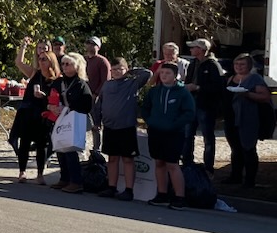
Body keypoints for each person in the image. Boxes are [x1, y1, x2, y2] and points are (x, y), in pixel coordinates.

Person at [94, 59, 152, 200]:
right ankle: (111, 187)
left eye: (120, 69)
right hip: (109, 127)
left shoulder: (132, 83)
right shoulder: (107, 85)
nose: (116, 72)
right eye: (113, 70)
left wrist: (130, 71)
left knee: (127, 159)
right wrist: (97, 121)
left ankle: (129, 190)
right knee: (112, 158)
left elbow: (147, 73)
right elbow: (99, 104)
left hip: (126, 127)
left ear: (126, 69)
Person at [140, 62, 196, 208]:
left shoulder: (182, 92)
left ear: (175, 75)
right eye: (162, 73)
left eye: (168, 73)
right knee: (159, 162)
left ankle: (179, 197)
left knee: (172, 164)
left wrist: (174, 125)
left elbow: (189, 113)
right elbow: (145, 108)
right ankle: (162, 194)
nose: (164, 76)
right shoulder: (154, 91)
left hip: (174, 133)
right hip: (156, 131)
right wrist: (150, 121)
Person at [13, 37, 58, 184]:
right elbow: (19, 63)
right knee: (24, 142)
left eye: (45, 58)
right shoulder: (35, 73)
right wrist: (24, 46)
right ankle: (22, 172)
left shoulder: (56, 79)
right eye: (40, 57)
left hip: (43, 114)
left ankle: (40, 174)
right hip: (28, 112)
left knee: (42, 145)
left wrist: (44, 97)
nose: (41, 60)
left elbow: (56, 99)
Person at [222, 53, 271, 188]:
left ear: (249, 66)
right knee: (235, 149)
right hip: (231, 119)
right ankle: (235, 176)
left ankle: (250, 180)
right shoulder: (231, 78)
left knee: (248, 148)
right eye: (237, 64)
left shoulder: (255, 79)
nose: (239, 67)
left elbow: (266, 97)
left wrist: (247, 94)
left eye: (242, 64)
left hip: (248, 119)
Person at [47, 52, 95, 193]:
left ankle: (76, 181)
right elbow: (50, 96)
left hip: (74, 119)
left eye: (68, 64)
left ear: (77, 66)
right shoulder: (58, 81)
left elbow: (87, 105)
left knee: (70, 150)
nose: (65, 66)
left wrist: (68, 108)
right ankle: (64, 178)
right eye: (63, 64)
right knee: (59, 148)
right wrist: (51, 106)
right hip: (58, 118)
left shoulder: (81, 84)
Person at [181, 38, 225, 171]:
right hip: (191, 104)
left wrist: (198, 87)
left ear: (201, 49)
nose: (191, 49)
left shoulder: (213, 65)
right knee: (188, 134)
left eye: (193, 47)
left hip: (206, 105)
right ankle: (187, 162)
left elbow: (218, 86)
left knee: (207, 136)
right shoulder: (193, 63)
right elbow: (188, 80)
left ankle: (208, 166)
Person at [81, 37, 109, 150]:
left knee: (95, 125)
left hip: (95, 97)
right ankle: (79, 147)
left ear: (98, 47)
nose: (90, 45)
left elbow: (106, 80)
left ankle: (96, 148)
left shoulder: (102, 61)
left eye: (93, 44)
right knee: (80, 124)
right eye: (88, 43)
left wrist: (96, 94)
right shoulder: (83, 60)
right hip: (82, 96)